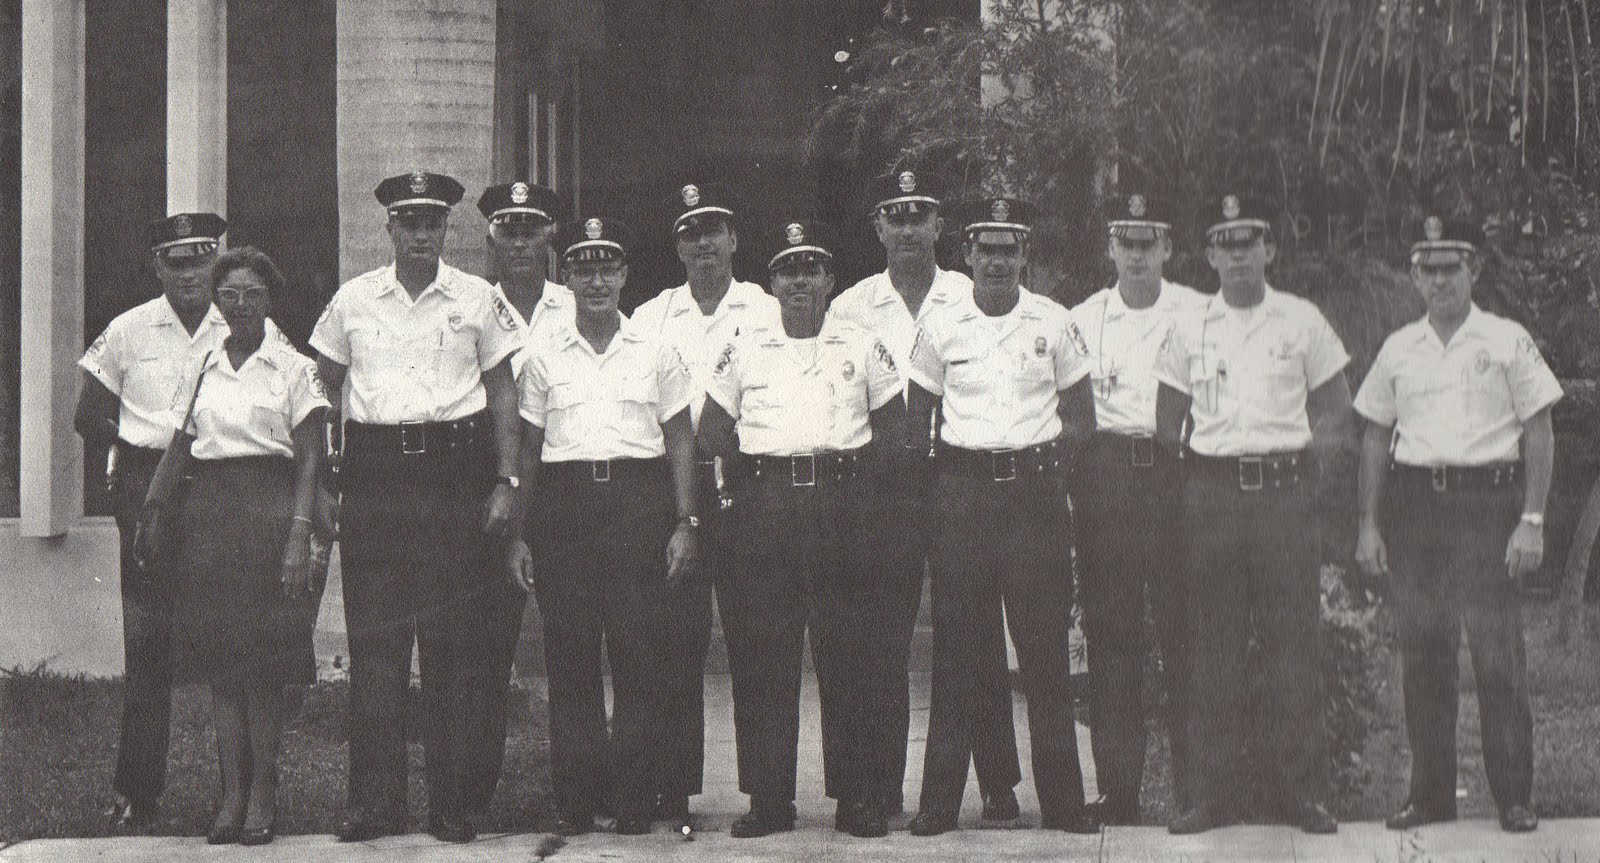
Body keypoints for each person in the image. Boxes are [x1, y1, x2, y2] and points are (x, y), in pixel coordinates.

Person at [310, 171, 524, 844]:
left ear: (446, 230)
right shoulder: (353, 300)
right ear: (391, 229)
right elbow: (323, 389)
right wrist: (325, 478)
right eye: (410, 222)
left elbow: (502, 395)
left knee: (450, 645)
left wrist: (506, 478)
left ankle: (451, 803)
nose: (422, 234)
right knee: (375, 643)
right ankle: (373, 803)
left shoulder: (478, 299)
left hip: (454, 472)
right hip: (374, 475)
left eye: (433, 222)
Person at [1153, 192, 1351, 835]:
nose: (1238, 255)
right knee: (1214, 649)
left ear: (1269, 248)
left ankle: (1299, 795)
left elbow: (1336, 412)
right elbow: (1166, 423)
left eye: (1250, 241)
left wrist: (1306, 481)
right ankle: (1212, 797)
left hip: (1284, 498)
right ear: (1209, 253)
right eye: (1225, 242)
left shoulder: (1301, 321)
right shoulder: (1189, 324)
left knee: (1292, 644)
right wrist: (1197, 492)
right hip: (1213, 498)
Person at [1353, 216, 1558, 834]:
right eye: (1427, 268)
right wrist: (1368, 524)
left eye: (1451, 266)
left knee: (1498, 658)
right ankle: (1432, 795)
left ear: (1474, 269)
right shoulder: (1398, 347)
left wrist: (1532, 520)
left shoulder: (1506, 339)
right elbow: (1374, 435)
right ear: (1414, 274)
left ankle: (1514, 797)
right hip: (1417, 511)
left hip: (1486, 509)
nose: (1439, 279)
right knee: (1424, 657)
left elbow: (1540, 429)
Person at [699, 218, 901, 838]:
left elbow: (895, 436)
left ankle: (858, 798)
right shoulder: (743, 346)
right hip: (766, 515)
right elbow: (712, 434)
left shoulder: (864, 344)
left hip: (842, 510)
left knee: (850, 659)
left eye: (812, 269)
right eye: (789, 270)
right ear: (773, 281)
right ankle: (768, 799)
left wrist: (872, 512)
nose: (800, 281)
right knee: (763, 660)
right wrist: (741, 498)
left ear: (831, 280)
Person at [829, 169, 1021, 822]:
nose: (909, 229)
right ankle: (879, 788)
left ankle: (998, 780)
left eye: (921, 215)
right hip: (885, 491)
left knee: (973, 634)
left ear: (943, 228)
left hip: (959, 481)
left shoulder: (976, 295)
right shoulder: (851, 306)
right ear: (878, 227)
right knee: (883, 638)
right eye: (896, 216)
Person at [905, 197, 1099, 836]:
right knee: (958, 654)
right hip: (964, 496)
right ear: (967, 255)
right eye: (986, 249)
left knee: (1043, 654)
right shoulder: (942, 326)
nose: (997, 261)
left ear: (1024, 255)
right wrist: (943, 499)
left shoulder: (1054, 321)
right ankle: (939, 803)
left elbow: (1080, 419)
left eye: (1009, 249)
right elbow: (917, 418)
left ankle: (1064, 804)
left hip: (1034, 499)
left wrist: (1051, 487)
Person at [504, 215, 700, 836]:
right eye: (584, 269)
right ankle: (578, 799)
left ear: (624, 276)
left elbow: (680, 441)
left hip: (637, 506)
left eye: (607, 268)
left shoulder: (656, 349)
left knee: (639, 658)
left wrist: (685, 521)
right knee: (571, 659)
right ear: (568, 278)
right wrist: (520, 532)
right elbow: (530, 449)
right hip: (565, 511)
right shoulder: (542, 356)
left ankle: (637, 798)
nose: (596, 280)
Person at [155, 247, 330, 846]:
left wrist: (299, 532)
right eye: (227, 294)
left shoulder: (293, 367)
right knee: (220, 666)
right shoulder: (200, 362)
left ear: (269, 300)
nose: (238, 305)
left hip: (270, 511)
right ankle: (230, 792)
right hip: (208, 516)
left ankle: (264, 791)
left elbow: (310, 459)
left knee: (262, 666)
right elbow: (179, 443)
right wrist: (155, 512)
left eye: (251, 294)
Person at [74, 212, 232, 833]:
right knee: (147, 644)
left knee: (230, 639)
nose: (190, 273)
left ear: (215, 263)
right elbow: (88, 415)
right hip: (147, 488)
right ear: (158, 266)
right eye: (178, 261)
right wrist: (127, 454)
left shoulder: (243, 322)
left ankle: (237, 793)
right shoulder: (127, 329)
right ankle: (137, 791)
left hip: (220, 482)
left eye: (200, 260)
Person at [630, 182, 781, 826]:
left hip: (743, 484)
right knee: (674, 643)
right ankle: (673, 788)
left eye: (714, 232)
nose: (703, 246)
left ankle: (768, 792)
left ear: (735, 240)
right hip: (677, 488)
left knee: (758, 642)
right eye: (691, 235)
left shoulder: (765, 307)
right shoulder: (653, 314)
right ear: (679, 247)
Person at [1067, 191, 1203, 824]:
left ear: (1168, 248)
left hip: (1178, 477)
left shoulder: (1200, 313)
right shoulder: (1083, 319)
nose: (1139, 254)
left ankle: (1195, 792)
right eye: (1128, 241)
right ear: (1110, 248)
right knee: (1112, 637)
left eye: (1150, 241)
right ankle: (1118, 792)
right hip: (1110, 480)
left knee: (1186, 633)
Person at [459, 180, 574, 815]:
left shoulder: (576, 299)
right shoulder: (473, 305)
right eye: (509, 230)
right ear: (492, 238)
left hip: (563, 488)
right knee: (486, 647)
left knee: (571, 645)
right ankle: (473, 794)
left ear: (551, 237)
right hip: (493, 486)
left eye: (532, 230)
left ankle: (577, 794)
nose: (521, 242)